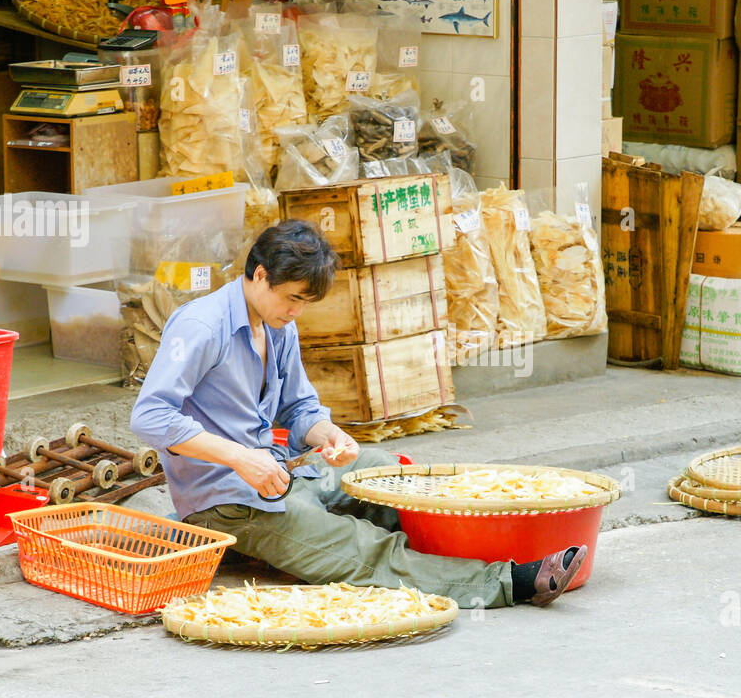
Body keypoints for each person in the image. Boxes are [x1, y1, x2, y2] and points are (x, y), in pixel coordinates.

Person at [130, 220, 586, 607]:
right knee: (360, 546)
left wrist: (330, 436)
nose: (295, 312)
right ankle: (507, 583)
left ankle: (499, 546)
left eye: (305, 304)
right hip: (228, 503)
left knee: (387, 476)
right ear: (260, 274)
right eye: (291, 299)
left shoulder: (277, 324)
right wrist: (239, 458)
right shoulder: (201, 325)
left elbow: (300, 407)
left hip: (287, 474)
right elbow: (149, 416)